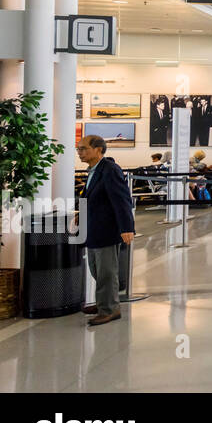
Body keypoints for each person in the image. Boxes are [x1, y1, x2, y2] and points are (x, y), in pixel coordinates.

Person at [75, 134, 135, 326]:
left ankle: (109, 309)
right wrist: (81, 213)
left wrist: (127, 227)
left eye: (83, 148)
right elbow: (91, 194)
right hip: (94, 226)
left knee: (106, 271)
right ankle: (104, 303)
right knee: (95, 268)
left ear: (98, 149)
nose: (80, 152)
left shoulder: (110, 170)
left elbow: (121, 199)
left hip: (106, 228)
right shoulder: (93, 170)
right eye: (78, 149)